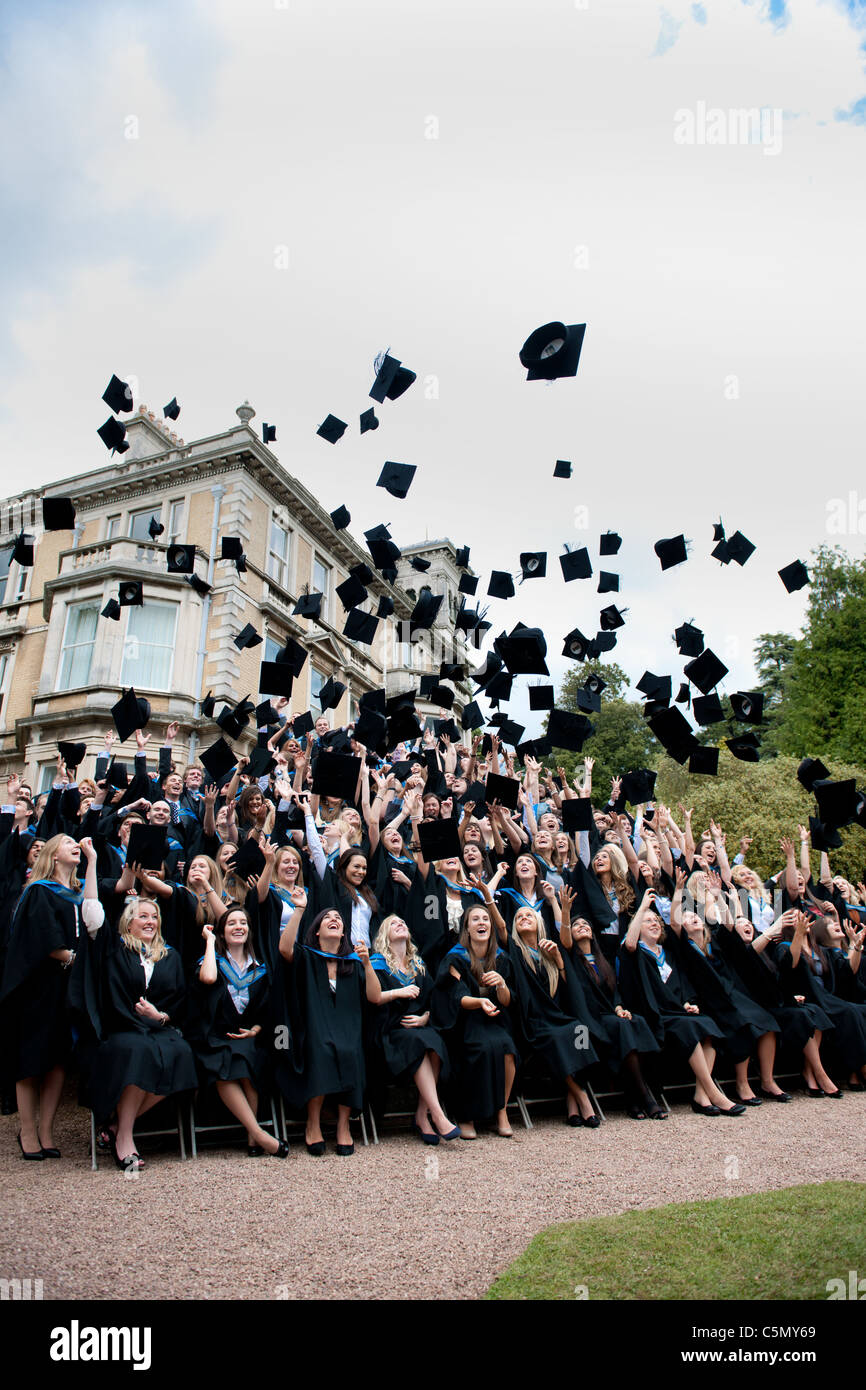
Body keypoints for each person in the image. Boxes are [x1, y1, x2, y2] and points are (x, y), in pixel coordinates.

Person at [0, 834, 103, 1158]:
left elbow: (92, 920)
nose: (77, 845)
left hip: (67, 987)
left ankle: (47, 1131)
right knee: (32, 1059)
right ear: (52, 854)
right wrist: (71, 957)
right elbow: (39, 938)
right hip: (39, 985)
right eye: (69, 842)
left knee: (58, 1060)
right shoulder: (39, 891)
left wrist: (93, 861)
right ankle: (28, 1131)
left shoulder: (74, 892)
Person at [85, 896, 198, 1171]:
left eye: (154, 917)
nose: (150, 922)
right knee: (138, 1051)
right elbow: (111, 993)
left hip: (159, 1028)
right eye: (143, 916)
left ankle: (115, 1126)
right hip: (124, 1028)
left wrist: (159, 1016)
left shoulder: (169, 955)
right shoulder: (117, 951)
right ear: (129, 922)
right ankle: (125, 1138)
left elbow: (180, 1000)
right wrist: (137, 1020)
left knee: (182, 1054)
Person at [618, 890, 747, 1116]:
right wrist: (642, 909)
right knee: (689, 1028)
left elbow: (682, 987)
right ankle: (714, 1092)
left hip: (676, 1012)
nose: (654, 924)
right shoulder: (635, 951)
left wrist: (688, 1002)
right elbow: (629, 942)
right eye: (648, 921)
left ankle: (701, 1094)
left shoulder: (667, 953)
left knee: (708, 1025)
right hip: (653, 1015)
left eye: (657, 921)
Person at [278, 892, 382, 1155]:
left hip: (348, 1030)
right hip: (314, 1029)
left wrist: (367, 964)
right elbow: (284, 948)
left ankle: (343, 1125)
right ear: (316, 931)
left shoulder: (353, 964)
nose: (334, 919)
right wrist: (300, 909)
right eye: (327, 918)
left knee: (352, 1050)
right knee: (321, 1049)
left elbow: (374, 996)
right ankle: (312, 1124)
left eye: (338, 918)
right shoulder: (307, 957)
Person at [193, 905, 288, 1157]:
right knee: (225, 1065)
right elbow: (209, 979)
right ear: (222, 932)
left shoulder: (259, 968)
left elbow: (266, 1011)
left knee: (249, 1059)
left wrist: (256, 1029)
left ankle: (253, 1134)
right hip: (214, 1037)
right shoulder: (212, 961)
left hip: (248, 1038)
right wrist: (210, 942)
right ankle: (257, 1134)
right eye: (231, 923)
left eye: (243, 923)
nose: (238, 927)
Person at [369, 914, 459, 1142]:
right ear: (384, 935)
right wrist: (398, 992)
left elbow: (432, 1001)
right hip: (390, 1032)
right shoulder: (377, 964)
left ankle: (423, 1113)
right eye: (394, 924)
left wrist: (425, 1017)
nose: (401, 924)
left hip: (417, 1028)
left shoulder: (417, 965)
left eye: (403, 922)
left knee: (434, 1040)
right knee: (420, 1042)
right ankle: (437, 1114)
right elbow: (372, 999)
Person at [433, 903, 519, 1139]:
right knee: (477, 1047)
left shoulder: (501, 959)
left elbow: (508, 1001)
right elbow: (456, 997)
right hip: (464, 1021)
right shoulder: (455, 958)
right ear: (466, 928)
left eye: (486, 919)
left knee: (507, 1049)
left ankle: (501, 1112)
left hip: (494, 1020)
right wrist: (479, 1002)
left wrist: (501, 984)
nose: (482, 923)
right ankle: (466, 1115)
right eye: (475, 920)